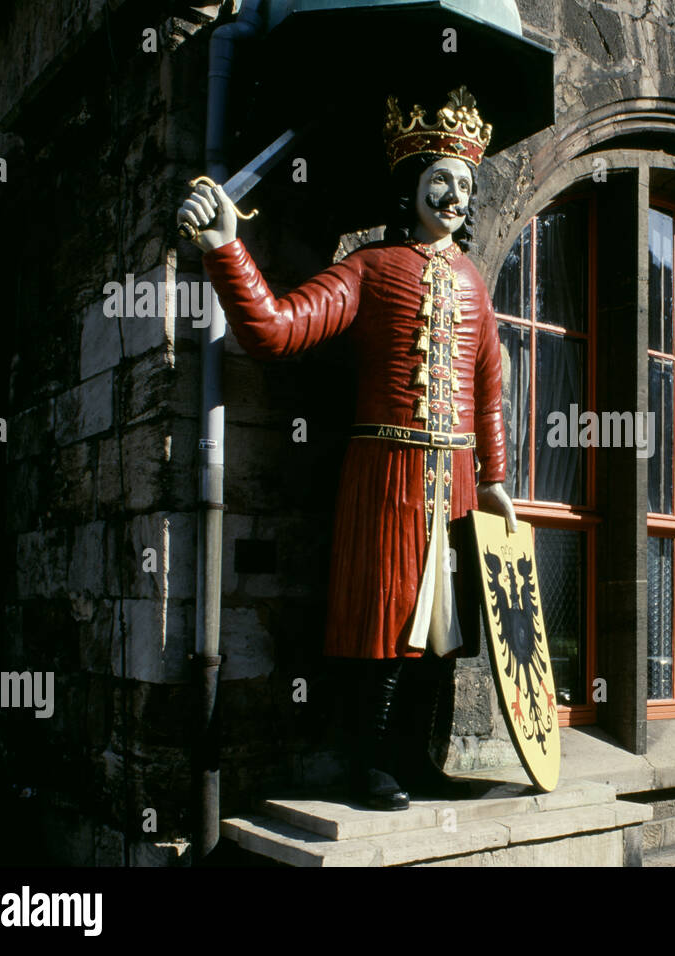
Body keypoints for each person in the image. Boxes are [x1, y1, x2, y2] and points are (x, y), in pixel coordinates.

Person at [176, 86, 516, 810]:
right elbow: (274, 329)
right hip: (384, 473)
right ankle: (370, 766)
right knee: (383, 624)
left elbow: (488, 390)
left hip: (454, 484)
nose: (453, 195)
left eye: (463, 185)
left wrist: (494, 477)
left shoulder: (475, 284)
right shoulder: (368, 268)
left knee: (444, 633)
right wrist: (225, 245)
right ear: (411, 186)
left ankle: (420, 760)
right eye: (440, 181)